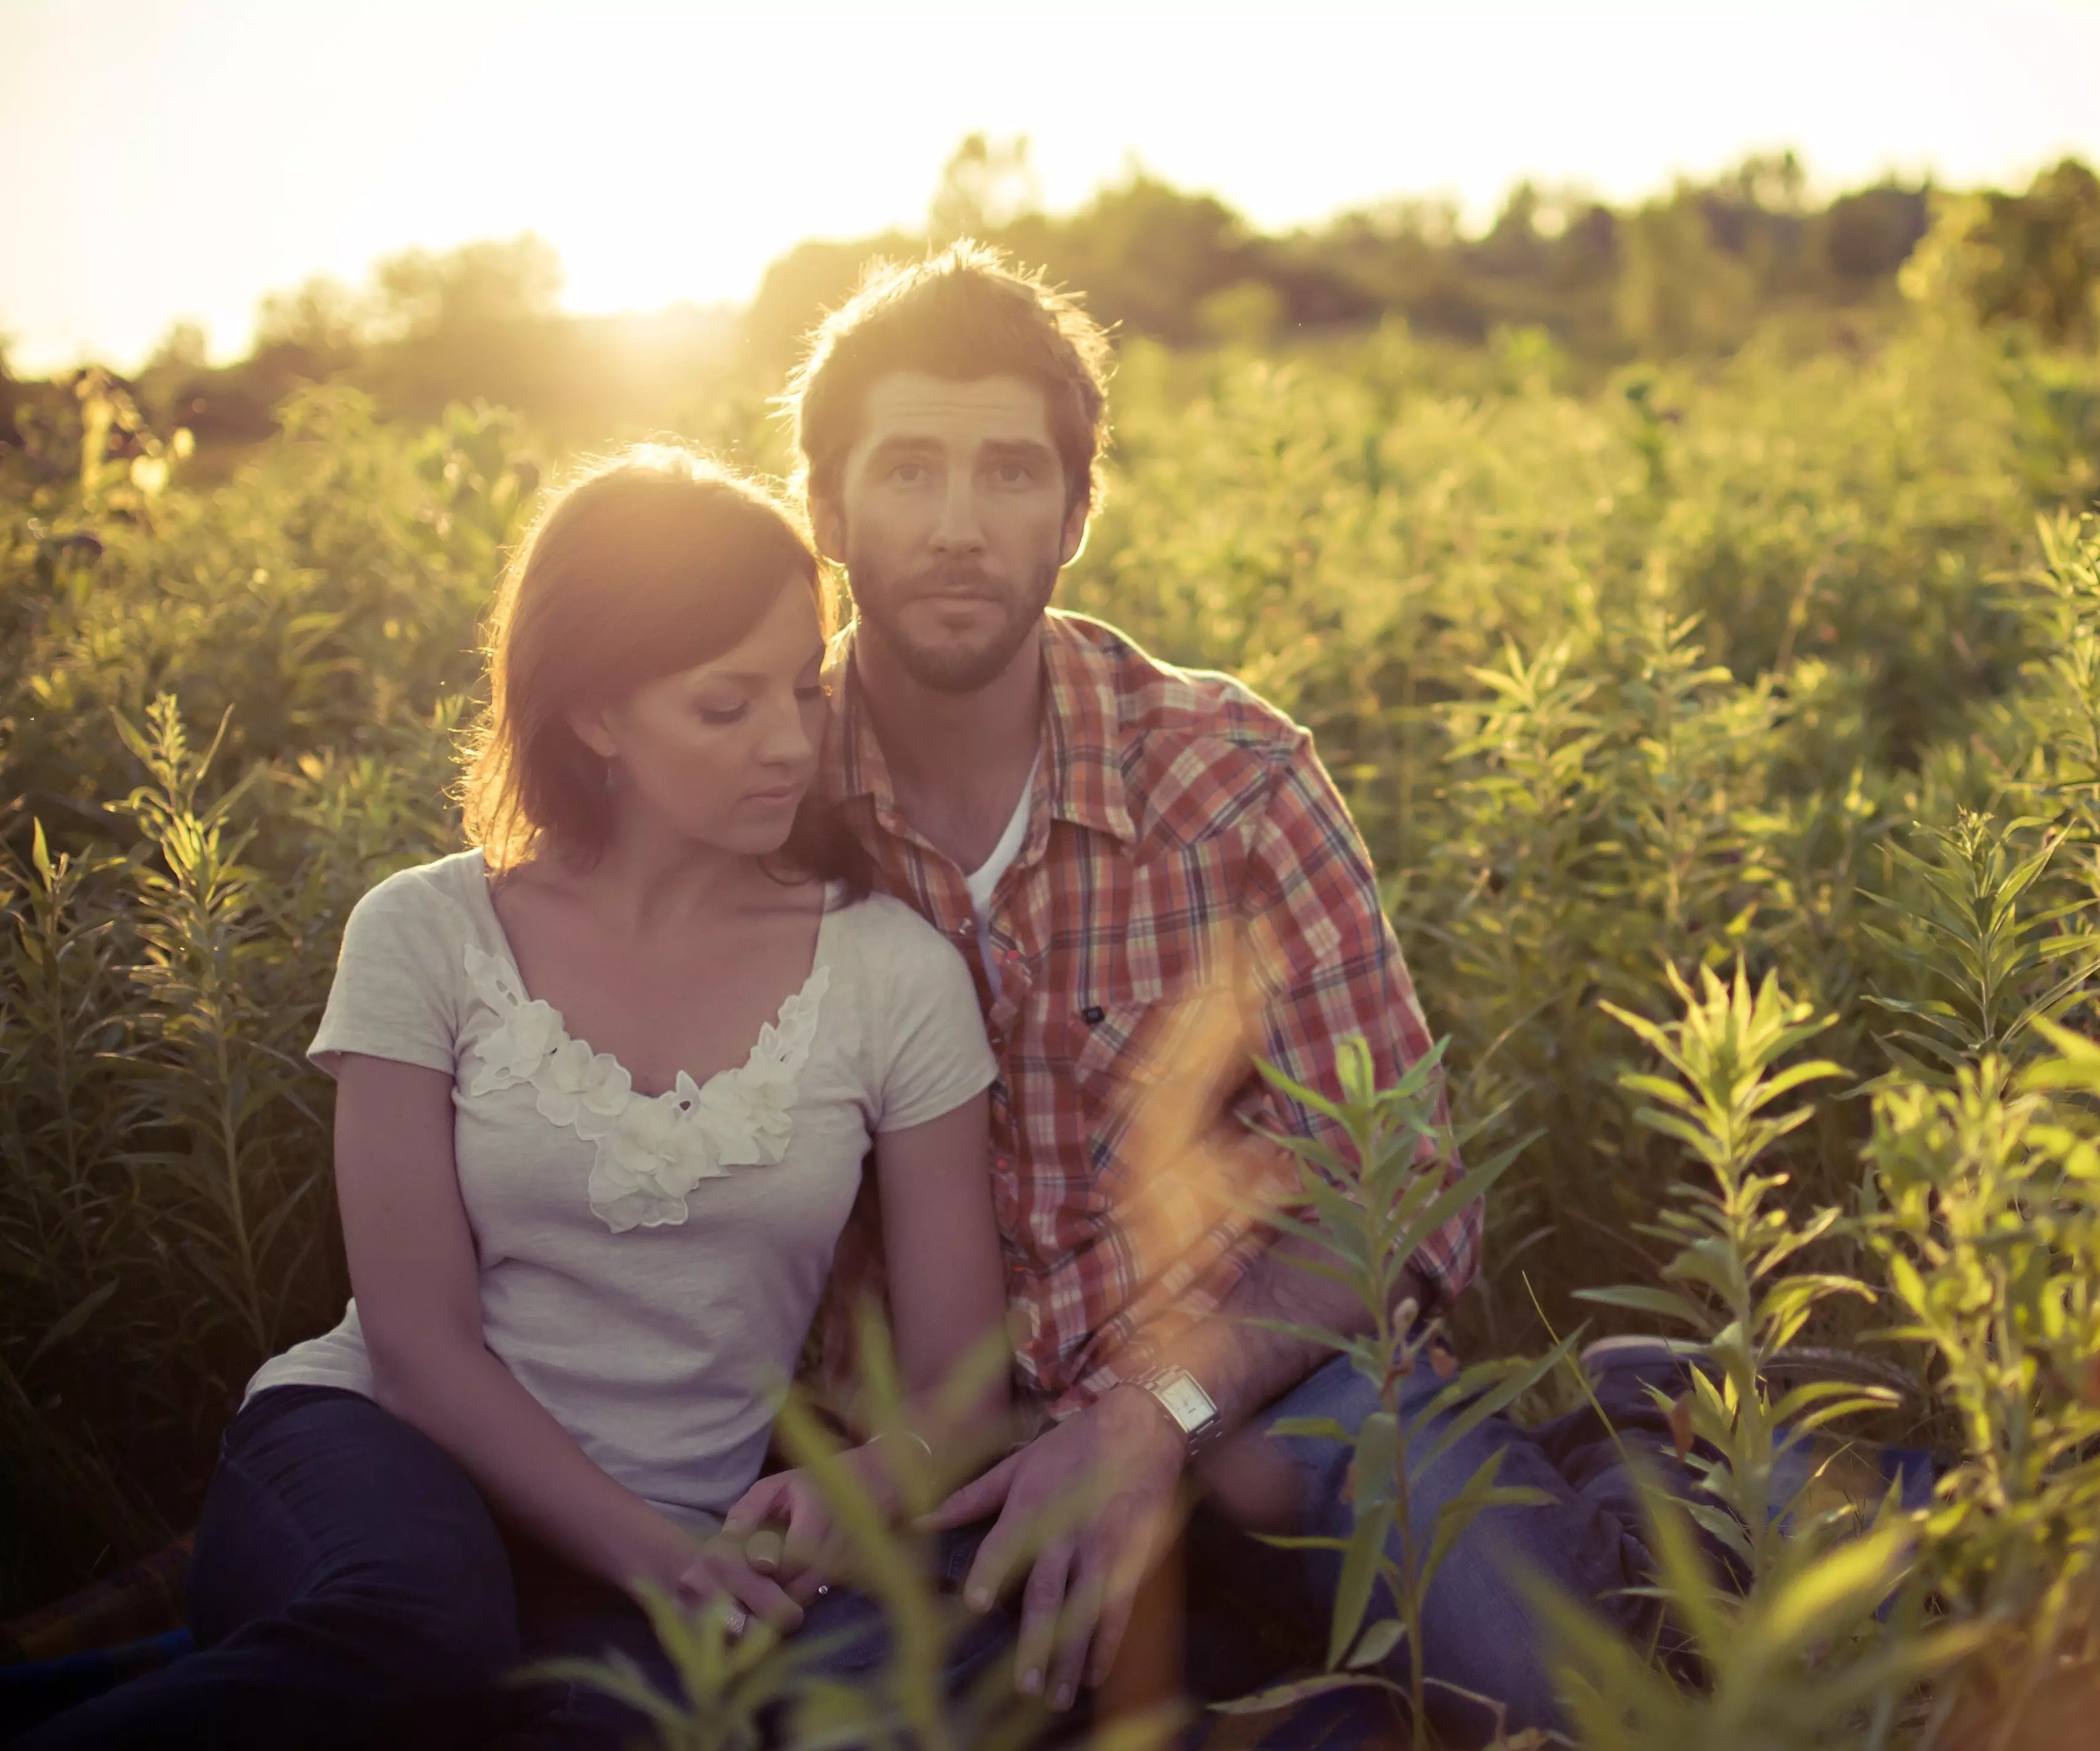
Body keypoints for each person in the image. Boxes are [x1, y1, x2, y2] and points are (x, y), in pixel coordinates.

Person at [767, 242, 1700, 1744]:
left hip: (1268, 1404)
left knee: (1567, 1701)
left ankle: (1620, 1473)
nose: (957, 527)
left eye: (1010, 474)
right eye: (908, 471)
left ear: (1074, 514)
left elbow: (1392, 1192)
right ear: (824, 506)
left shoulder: (1229, 775)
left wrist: (1153, 1413)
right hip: (940, 1469)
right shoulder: (759, 796)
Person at [22, 448, 1014, 1750]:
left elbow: (962, 1383)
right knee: (419, 1630)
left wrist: (869, 1483)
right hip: (374, 1459)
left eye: (800, 687)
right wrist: (658, 1561)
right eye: (726, 706)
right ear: (595, 715)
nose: (790, 740)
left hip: (674, 1536)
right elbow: (419, 1345)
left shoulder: (892, 969)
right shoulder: (427, 931)